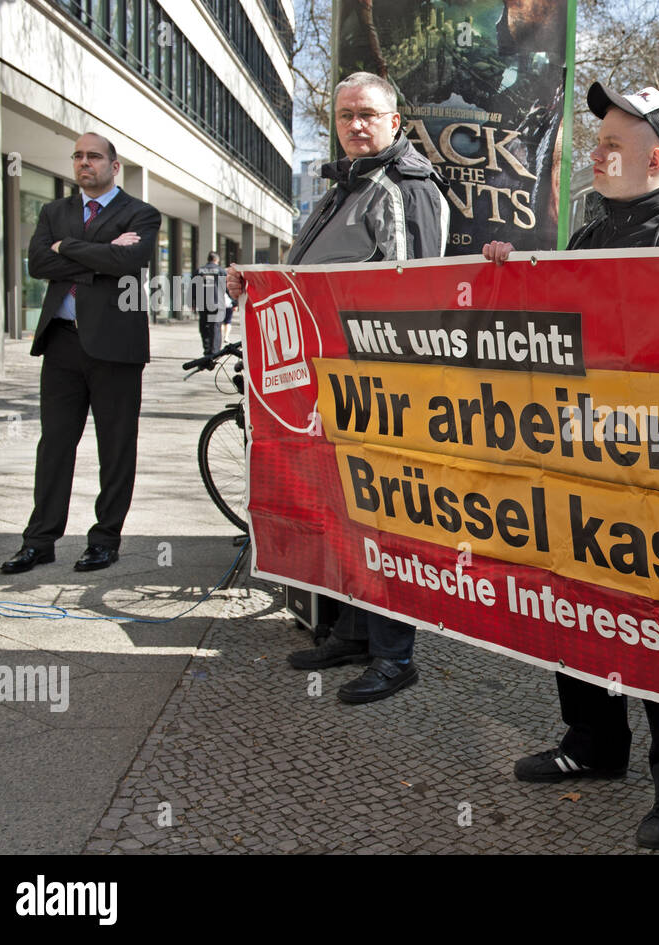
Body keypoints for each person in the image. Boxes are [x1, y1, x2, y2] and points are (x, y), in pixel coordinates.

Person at [483, 83, 659, 850]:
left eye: (613, 141)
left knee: (658, 634)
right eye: (596, 138)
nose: (597, 151)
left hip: (656, 485)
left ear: (656, 157)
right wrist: (511, 274)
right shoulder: (582, 242)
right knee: (573, 610)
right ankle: (592, 741)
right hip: (579, 474)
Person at [227, 71, 450, 703]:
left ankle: (394, 654)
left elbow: (406, 296)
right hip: (327, 386)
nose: (356, 124)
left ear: (395, 122)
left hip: (373, 388)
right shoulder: (341, 188)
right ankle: (353, 632)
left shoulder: (402, 187)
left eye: (368, 115)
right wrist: (259, 283)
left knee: (381, 517)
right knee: (345, 514)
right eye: (346, 113)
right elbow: (308, 279)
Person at [0, 134, 160, 576]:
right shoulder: (55, 211)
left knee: (116, 447)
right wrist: (102, 255)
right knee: (54, 445)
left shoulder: (141, 213)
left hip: (116, 348)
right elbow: (38, 263)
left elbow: (129, 263)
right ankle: (39, 541)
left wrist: (65, 247)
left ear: (114, 164)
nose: (83, 163)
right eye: (78, 156)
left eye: (93, 156)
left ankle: (105, 540)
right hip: (61, 343)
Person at [191, 251, 226, 358]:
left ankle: (206, 350)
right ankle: (214, 351)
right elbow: (227, 286)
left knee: (204, 326)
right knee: (215, 327)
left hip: (202, 303)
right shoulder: (221, 271)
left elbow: (193, 287)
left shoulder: (199, 271)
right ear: (217, 260)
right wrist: (234, 302)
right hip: (217, 303)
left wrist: (193, 301)